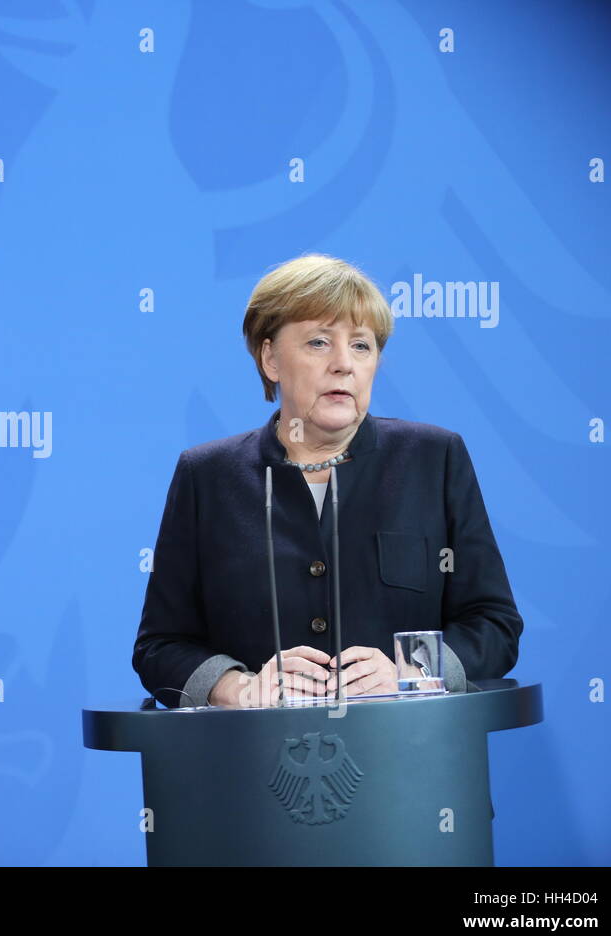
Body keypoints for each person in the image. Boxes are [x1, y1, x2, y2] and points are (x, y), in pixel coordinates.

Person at [134, 254, 522, 709]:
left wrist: (411, 671)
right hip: (250, 762)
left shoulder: (435, 459)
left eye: (361, 346)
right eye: (319, 343)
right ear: (270, 358)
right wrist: (238, 686)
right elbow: (160, 646)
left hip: (409, 759)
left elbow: (494, 625)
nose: (344, 364)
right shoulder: (206, 476)